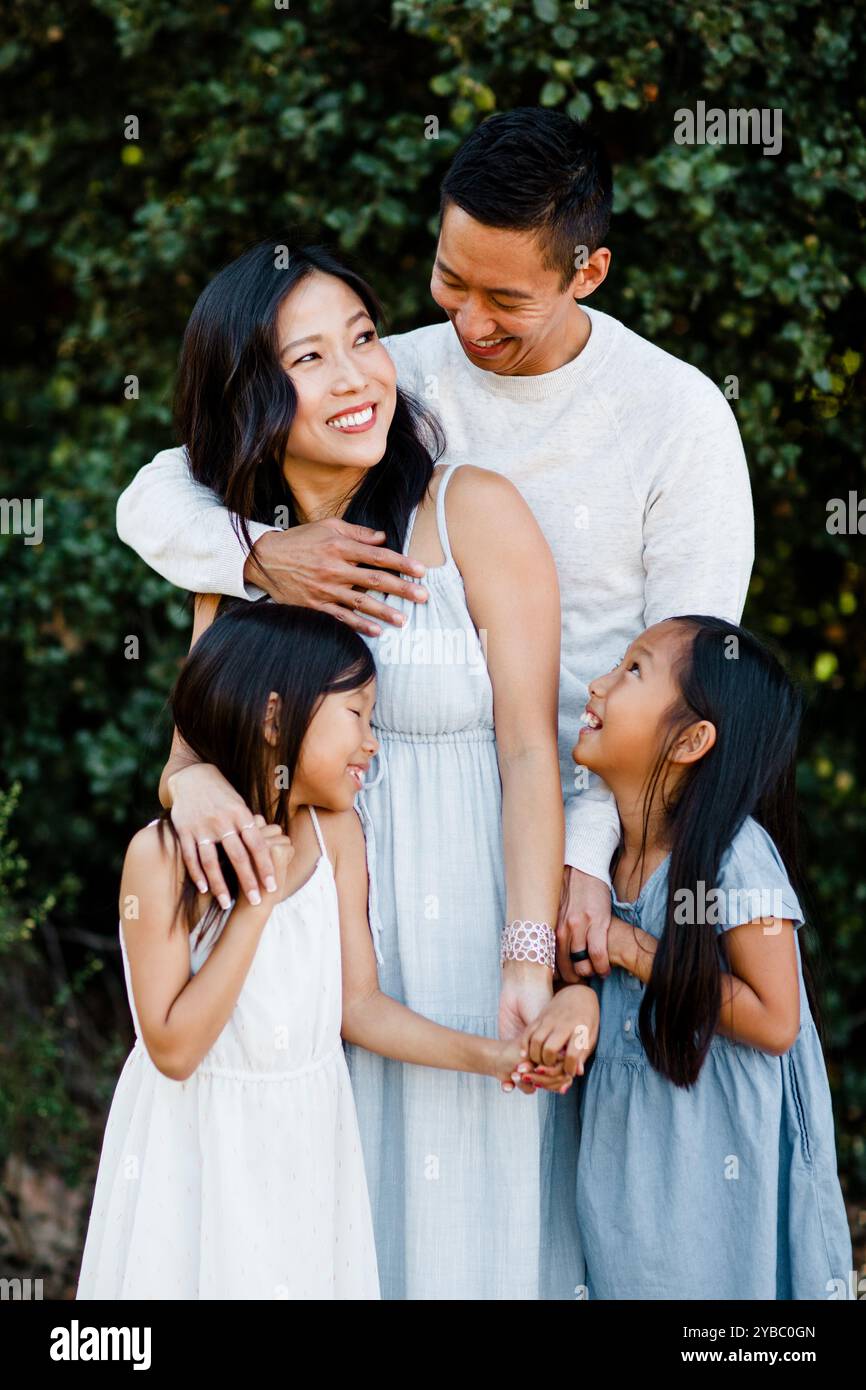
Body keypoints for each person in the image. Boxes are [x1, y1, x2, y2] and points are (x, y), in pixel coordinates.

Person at [115, 107, 755, 994]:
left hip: (608, 853)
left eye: (506, 301)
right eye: (451, 280)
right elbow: (155, 492)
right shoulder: (389, 377)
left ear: (589, 274)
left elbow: (694, 673)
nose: (470, 322)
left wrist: (589, 854)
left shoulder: (677, 418)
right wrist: (263, 556)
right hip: (388, 840)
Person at [115, 236, 588, 1301]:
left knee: (478, 1226)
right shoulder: (246, 551)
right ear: (252, 392)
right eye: (309, 358)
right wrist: (186, 782)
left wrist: (524, 955)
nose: (355, 376)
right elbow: (200, 746)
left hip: (471, 914)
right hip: (316, 950)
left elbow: (527, 747)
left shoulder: (469, 511)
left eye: (364, 340)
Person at [75, 601, 561, 1301]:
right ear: (276, 717)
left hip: (306, 1142)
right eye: (357, 715)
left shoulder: (335, 835)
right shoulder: (162, 858)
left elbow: (357, 1006)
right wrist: (255, 909)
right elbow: (174, 1049)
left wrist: (491, 1057)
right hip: (200, 1151)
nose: (372, 742)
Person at [523, 615, 854, 1299]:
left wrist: (631, 948)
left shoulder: (734, 856)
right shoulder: (599, 865)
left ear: (691, 739)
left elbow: (774, 1019)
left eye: (633, 671)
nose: (599, 684)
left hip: (717, 1153)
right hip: (631, 1156)